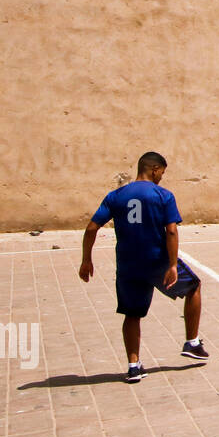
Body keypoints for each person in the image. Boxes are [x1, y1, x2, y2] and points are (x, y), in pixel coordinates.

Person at [78, 151, 206, 383]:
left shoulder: (115, 195)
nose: (161, 178)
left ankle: (134, 366)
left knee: (132, 314)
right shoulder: (163, 195)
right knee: (194, 287)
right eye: (162, 174)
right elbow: (171, 230)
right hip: (156, 261)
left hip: (128, 264)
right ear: (154, 169)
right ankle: (192, 342)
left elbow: (90, 228)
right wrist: (173, 265)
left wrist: (86, 260)